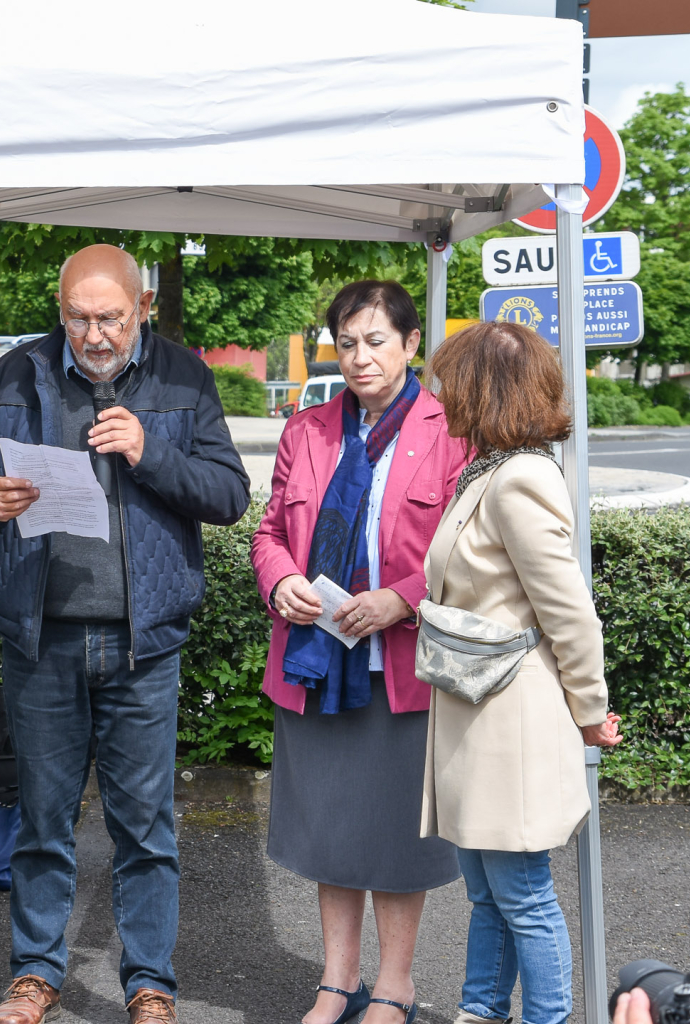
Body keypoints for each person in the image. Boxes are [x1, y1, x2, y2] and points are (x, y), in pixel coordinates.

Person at [0, 244, 250, 1024]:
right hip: (41, 637)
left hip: (144, 644)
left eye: (110, 317)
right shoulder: (19, 373)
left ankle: (149, 984)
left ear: (142, 308)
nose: (95, 334)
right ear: (60, 309)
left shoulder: (183, 377)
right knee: (43, 822)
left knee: (145, 829)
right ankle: (36, 974)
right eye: (78, 317)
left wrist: (152, 452)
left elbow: (229, 495)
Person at [250, 281, 468, 1024]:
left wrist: (403, 597)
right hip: (317, 661)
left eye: (376, 341)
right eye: (346, 343)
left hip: (403, 669)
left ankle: (397, 985)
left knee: (396, 838)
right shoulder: (305, 430)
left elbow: (464, 551)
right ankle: (337, 982)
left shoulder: (450, 431)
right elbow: (270, 532)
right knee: (332, 833)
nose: (360, 357)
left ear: (411, 345)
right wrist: (279, 581)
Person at [421, 320, 624, 1024]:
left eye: (453, 382)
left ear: (484, 391)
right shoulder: (496, 470)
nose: (441, 395)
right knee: (490, 891)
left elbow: (571, 614)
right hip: (484, 720)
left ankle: (542, 1018)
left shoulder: (518, 481)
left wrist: (591, 711)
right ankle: (481, 1010)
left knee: (523, 895)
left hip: (510, 723)